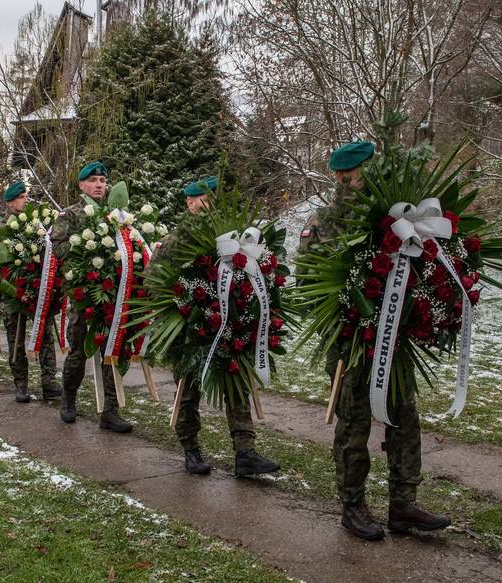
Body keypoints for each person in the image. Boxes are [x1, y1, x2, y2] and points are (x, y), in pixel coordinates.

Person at [301, 141, 451, 542]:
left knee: (404, 417)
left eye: (360, 173)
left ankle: (403, 503)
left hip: (395, 338)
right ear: (338, 176)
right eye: (347, 176)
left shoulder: (394, 214)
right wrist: (345, 309)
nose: (351, 181)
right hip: (350, 340)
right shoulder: (324, 222)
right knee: (353, 423)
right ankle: (353, 504)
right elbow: (308, 283)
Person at [154, 176, 280, 477]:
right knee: (188, 391)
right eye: (203, 198)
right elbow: (154, 277)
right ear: (190, 202)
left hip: (228, 326)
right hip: (191, 329)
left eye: (213, 198)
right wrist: (182, 306)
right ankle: (191, 448)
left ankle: (245, 453)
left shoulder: (230, 236)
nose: (209, 204)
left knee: (236, 384)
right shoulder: (177, 239)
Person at [50, 161, 131, 433]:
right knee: (79, 352)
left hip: (111, 295)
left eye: (102, 180)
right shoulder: (70, 214)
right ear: (81, 185)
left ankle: (110, 411)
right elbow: (59, 247)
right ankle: (68, 400)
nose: (99, 185)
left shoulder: (114, 214)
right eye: (93, 180)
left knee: (111, 349)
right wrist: (85, 263)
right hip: (85, 294)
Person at [0, 180, 63, 403]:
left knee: (45, 336)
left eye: (26, 197)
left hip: (37, 290)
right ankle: (21, 384)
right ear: (9, 203)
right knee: (16, 338)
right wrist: (11, 261)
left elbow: (48, 251)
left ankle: (49, 383)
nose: (26, 200)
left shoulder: (37, 227)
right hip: (13, 292)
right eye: (21, 197)